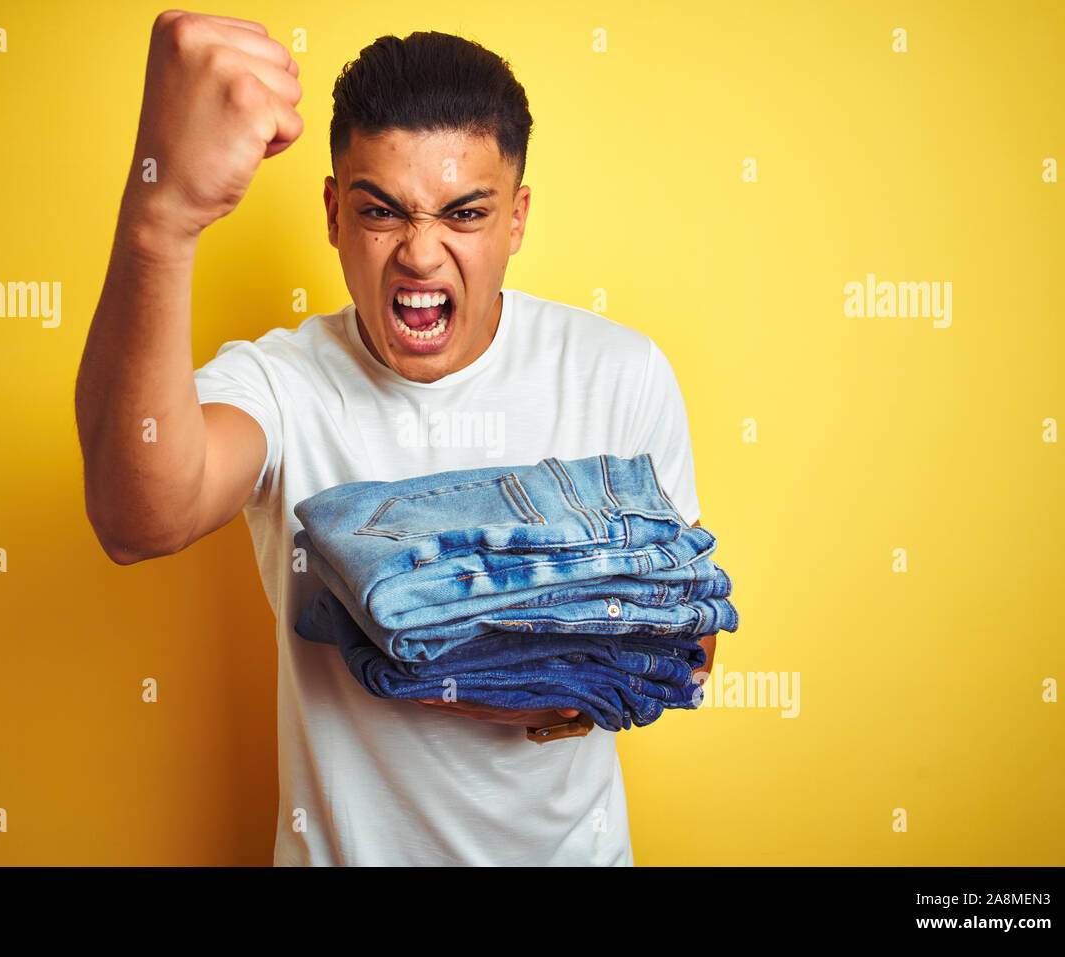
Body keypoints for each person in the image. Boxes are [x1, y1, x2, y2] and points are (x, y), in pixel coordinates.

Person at [75, 11, 717, 866]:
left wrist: (515, 668)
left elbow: (691, 638)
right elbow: (136, 518)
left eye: (464, 213)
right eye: (383, 211)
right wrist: (162, 221)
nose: (420, 253)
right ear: (336, 213)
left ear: (516, 220)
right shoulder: (282, 383)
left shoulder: (619, 372)